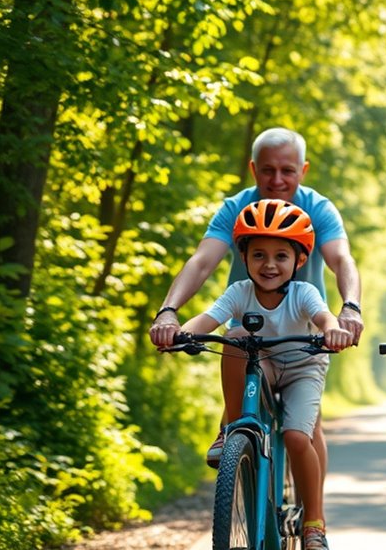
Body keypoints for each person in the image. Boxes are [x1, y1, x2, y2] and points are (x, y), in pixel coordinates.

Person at [148, 127, 364, 472]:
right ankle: (232, 436)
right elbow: (202, 262)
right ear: (253, 169)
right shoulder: (236, 208)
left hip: (304, 332)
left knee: (307, 428)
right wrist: (168, 313)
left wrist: (350, 308)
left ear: (303, 170)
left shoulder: (319, 209)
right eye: (268, 170)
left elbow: (341, 260)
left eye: (287, 170)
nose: (277, 179)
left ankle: (312, 520)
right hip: (249, 328)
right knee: (239, 371)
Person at [172, 199, 353, 548]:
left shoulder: (304, 292)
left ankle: (314, 522)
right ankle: (233, 429)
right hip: (263, 362)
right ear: (244, 258)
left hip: (303, 367)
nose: (269, 265)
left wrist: (334, 329)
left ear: (300, 260)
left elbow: (324, 317)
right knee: (235, 337)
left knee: (299, 437)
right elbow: (207, 320)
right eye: (259, 256)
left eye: (281, 256)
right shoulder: (239, 292)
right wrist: (179, 332)